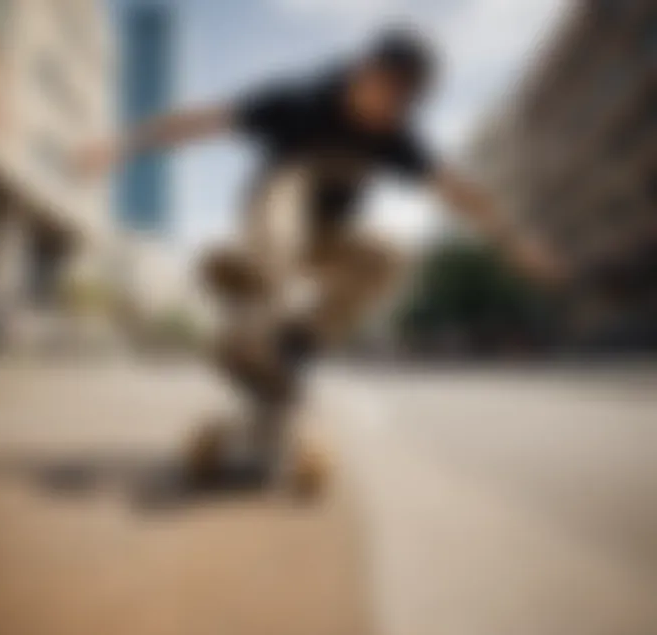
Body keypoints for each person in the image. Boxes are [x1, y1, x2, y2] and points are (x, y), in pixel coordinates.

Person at [78, 30, 564, 400]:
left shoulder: (394, 136)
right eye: (388, 92)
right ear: (363, 70)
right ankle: (254, 315)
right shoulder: (297, 101)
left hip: (327, 238)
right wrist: (123, 144)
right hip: (272, 216)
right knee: (292, 189)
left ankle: (298, 344)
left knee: (390, 254)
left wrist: (515, 241)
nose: (391, 111)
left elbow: (456, 190)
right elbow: (202, 121)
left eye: (405, 102)